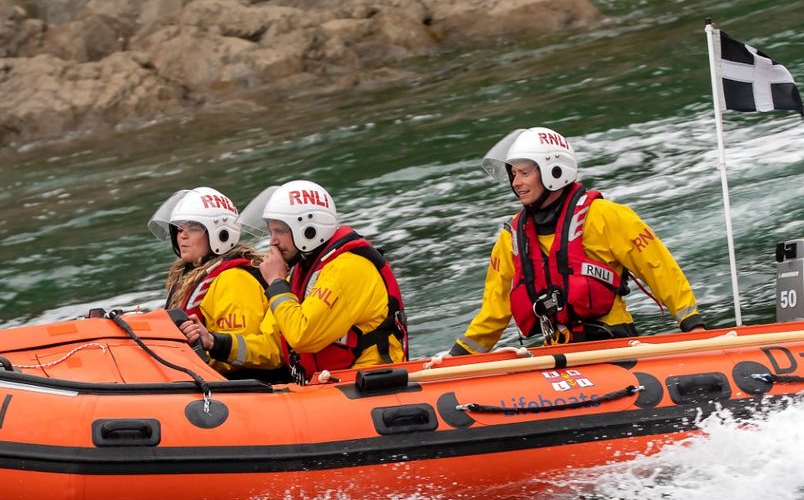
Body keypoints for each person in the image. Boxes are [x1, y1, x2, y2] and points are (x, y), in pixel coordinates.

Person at [449, 126, 704, 356]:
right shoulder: (511, 238)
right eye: (513, 174)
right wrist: (456, 358)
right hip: (556, 354)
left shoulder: (606, 216)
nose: (517, 183)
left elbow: (659, 269)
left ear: (554, 171)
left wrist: (692, 324)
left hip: (612, 342)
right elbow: (494, 311)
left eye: (524, 173)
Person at [256, 179, 408, 379]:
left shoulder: (347, 268)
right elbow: (273, 343)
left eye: (280, 231)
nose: (272, 241)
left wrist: (276, 283)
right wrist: (216, 343)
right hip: (332, 382)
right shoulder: (301, 271)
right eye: (271, 231)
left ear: (309, 229)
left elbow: (302, 335)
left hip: (371, 381)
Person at [149, 186, 285, 380]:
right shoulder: (190, 276)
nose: (182, 235)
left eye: (193, 228)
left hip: (245, 388)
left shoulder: (233, 279)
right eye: (179, 228)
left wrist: (206, 343)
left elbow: (247, 353)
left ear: (221, 233)